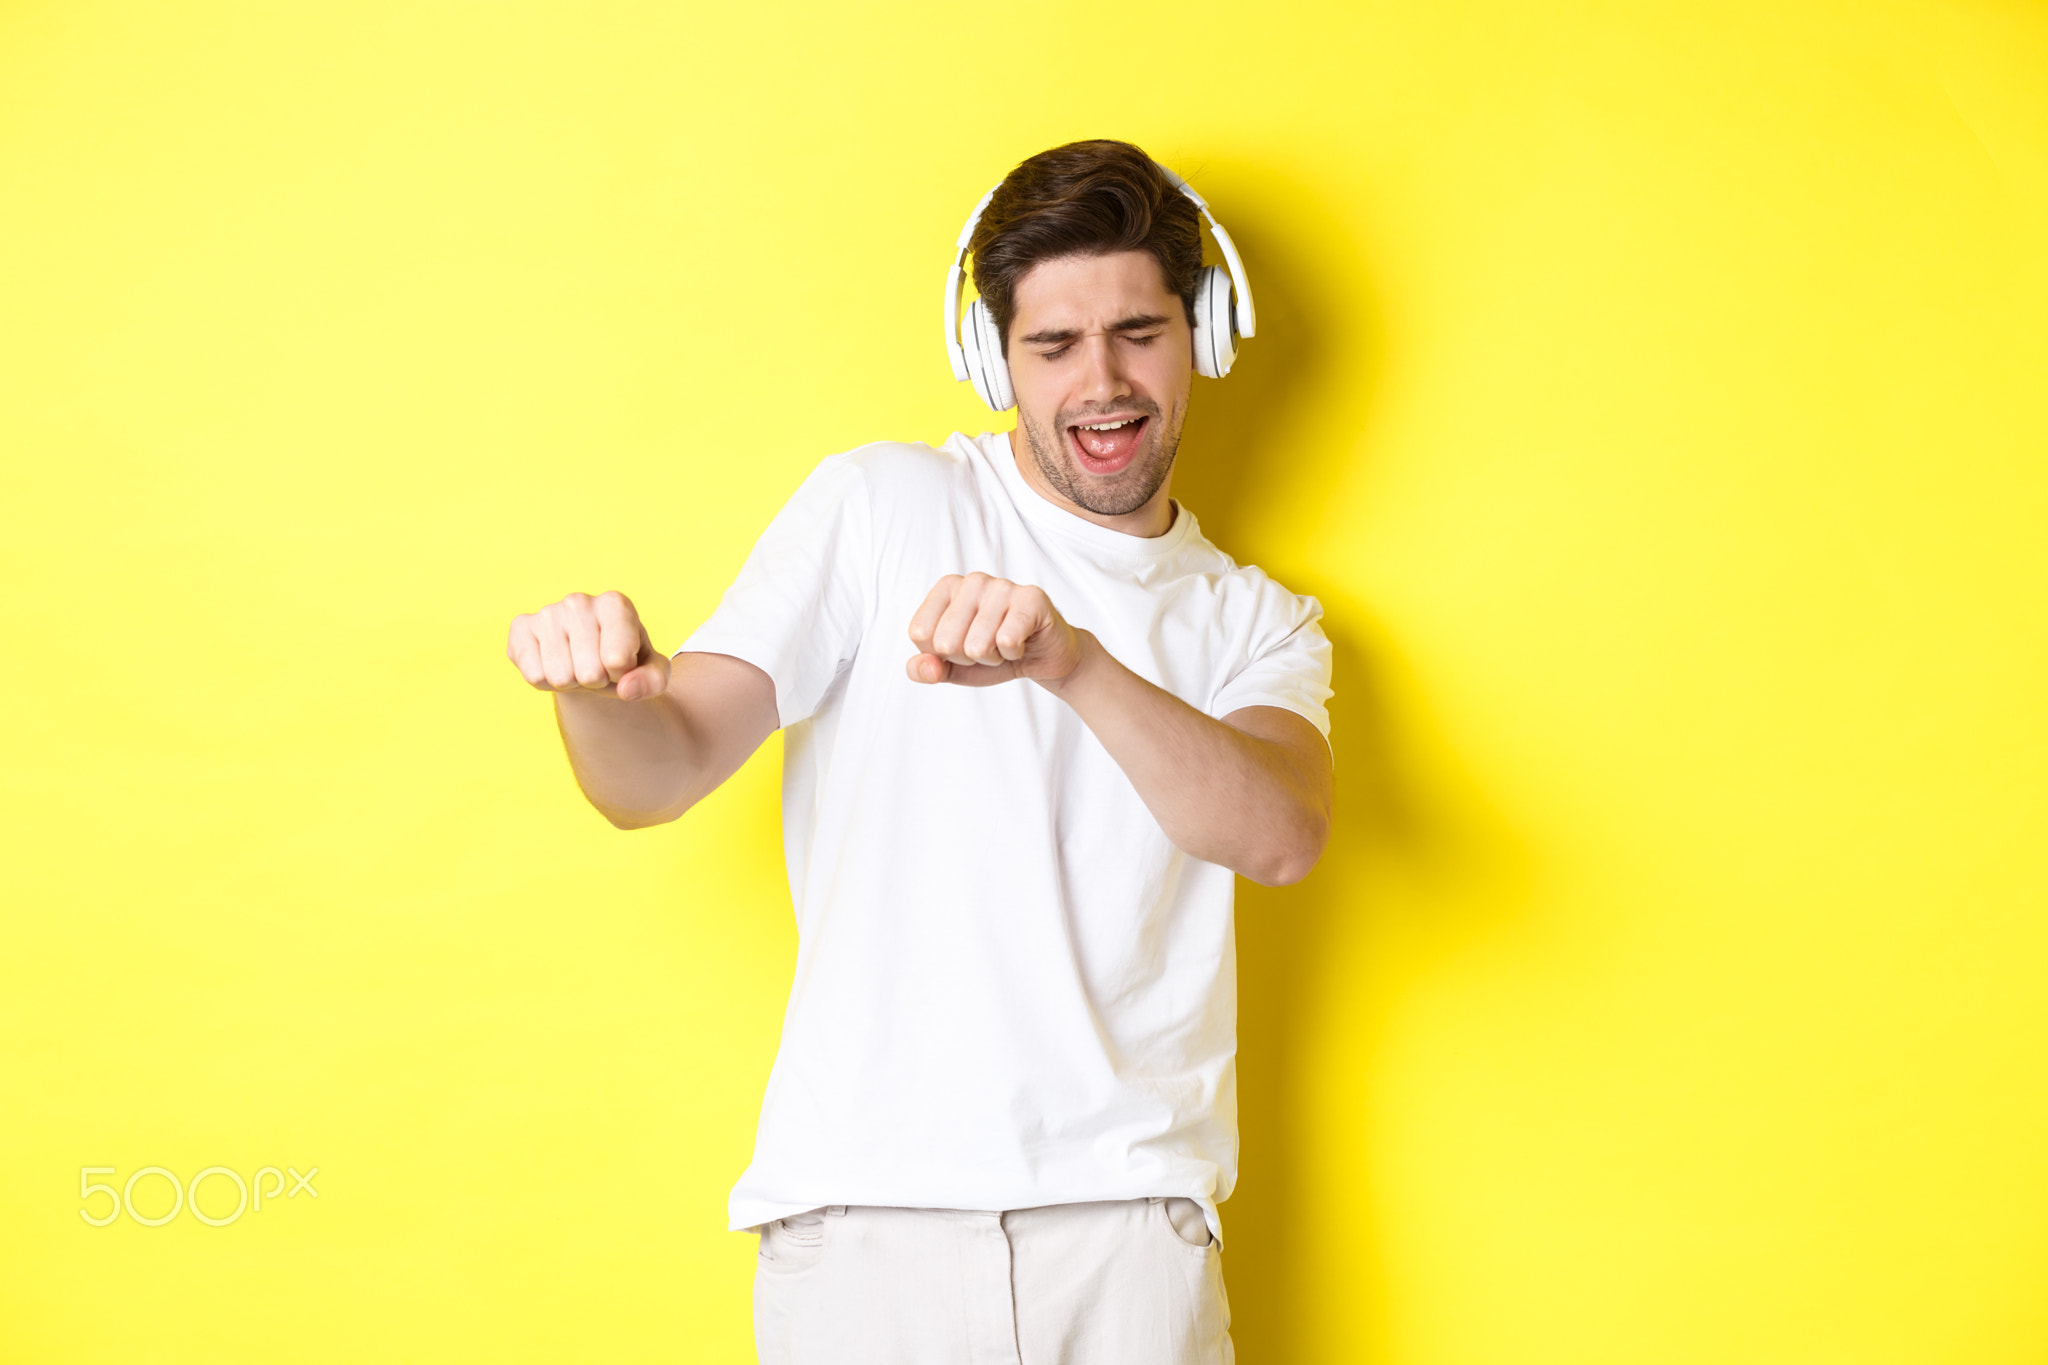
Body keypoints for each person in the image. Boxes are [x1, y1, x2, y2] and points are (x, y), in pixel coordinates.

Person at [505, 139, 1333, 1365]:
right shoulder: (876, 505)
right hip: (861, 1225)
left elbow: (1277, 834)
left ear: (1202, 332)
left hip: (1125, 1234)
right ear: (989, 355)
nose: (1099, 382)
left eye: (1136, 333)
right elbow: (659, 773)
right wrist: (590, 696)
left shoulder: (1256, 619)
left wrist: (1075, 663)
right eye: (1051, 346)